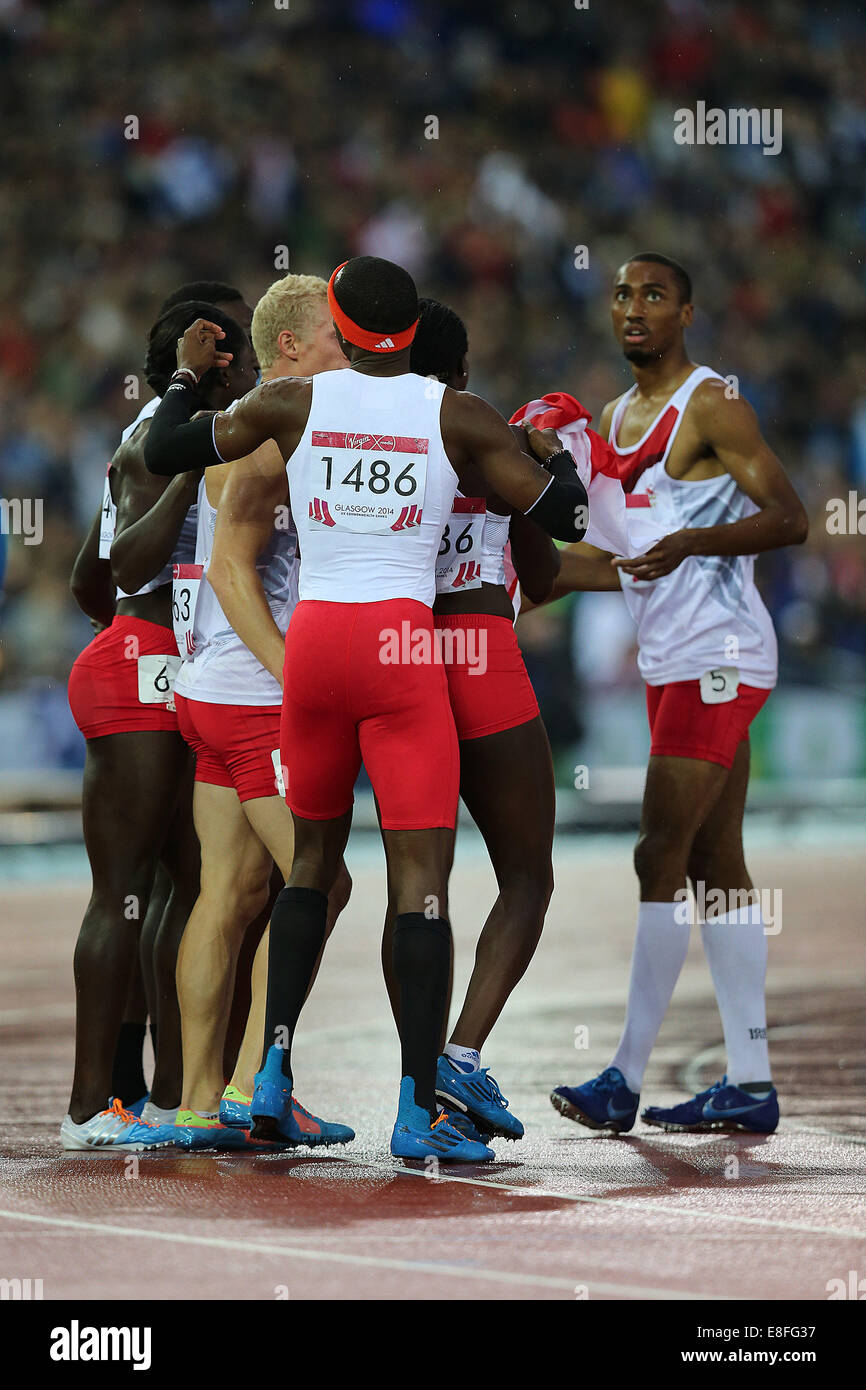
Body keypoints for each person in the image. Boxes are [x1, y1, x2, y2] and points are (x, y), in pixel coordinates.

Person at [143, 254, 588, 1163]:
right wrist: (548, 454)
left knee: (307, 868)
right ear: (413, 337)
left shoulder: (291, 407)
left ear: (342, 331)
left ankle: (268, 1073)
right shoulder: (457, 415)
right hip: (401, 649)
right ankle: (417, 1108)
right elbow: (568, 521)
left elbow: (166, 449)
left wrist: (186, 375)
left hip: (312, 653)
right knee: (417, 888)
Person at [549, 253, 808, 1135]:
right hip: (672, 661)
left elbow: (791, 516)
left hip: (721, 654)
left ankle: (621, 1077)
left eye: (654, 295)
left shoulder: (710, 401)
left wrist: (696, 543)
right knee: (713, 863)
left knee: (656, 854)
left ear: (687, 313)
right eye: (622, 294)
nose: (633, 308)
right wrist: (526, 579)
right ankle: (751, 1082)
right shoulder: (612, 419)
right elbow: (620, 562)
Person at [62, 299, 257, 1149]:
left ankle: (170, 1092)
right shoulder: (162, 435)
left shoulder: (160, 431)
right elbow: (124, 565)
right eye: (243, 357)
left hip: (168, 662)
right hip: (142, 668)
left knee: (185, 886)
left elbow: (82, 582)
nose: (257, 375)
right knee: (126, 891)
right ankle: (87, 1107)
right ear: (211, 361)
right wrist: (187, 472)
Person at [167, 274, 353, 1149]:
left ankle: (201, 1102)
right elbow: (234, 571)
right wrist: (294, 678)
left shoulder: (247, 425)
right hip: (254, 698)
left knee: (231, 894)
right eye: (335, 340)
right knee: (325, 881)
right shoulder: (276, 432)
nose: (348, 355)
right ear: (289, 348)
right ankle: (252, 1082)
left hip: (209, 691)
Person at [380, 298, 558, 1144]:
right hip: (478, 649)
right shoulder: (482, 430)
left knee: (419, 892)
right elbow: (548, 569)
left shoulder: (359, 435)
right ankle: (460, 1056)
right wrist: (550, 465)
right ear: (458, 371)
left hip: (395, 651)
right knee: (526, 874)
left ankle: (420, 1093)